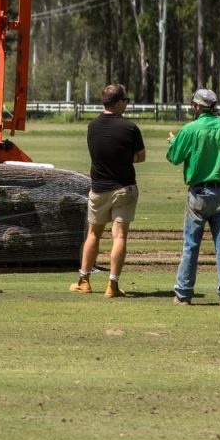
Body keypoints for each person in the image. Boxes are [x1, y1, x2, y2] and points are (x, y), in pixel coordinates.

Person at [166, 88, 220, 306]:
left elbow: (174, 157)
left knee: (191, 244)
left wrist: (173, 142)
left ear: (197, 106)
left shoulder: (190, 129)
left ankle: (183, 294)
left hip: (198, 193)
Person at [70, 84, 145, 298]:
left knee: (93, 234)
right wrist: (125, 158)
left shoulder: (92, 126)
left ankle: (84, 280)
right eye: (126, 100)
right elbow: (141, 156)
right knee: (119, 236)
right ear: (119, 102)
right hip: (124, 189)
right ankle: (112, 285)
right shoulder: (130, 128)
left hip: (99, 189)